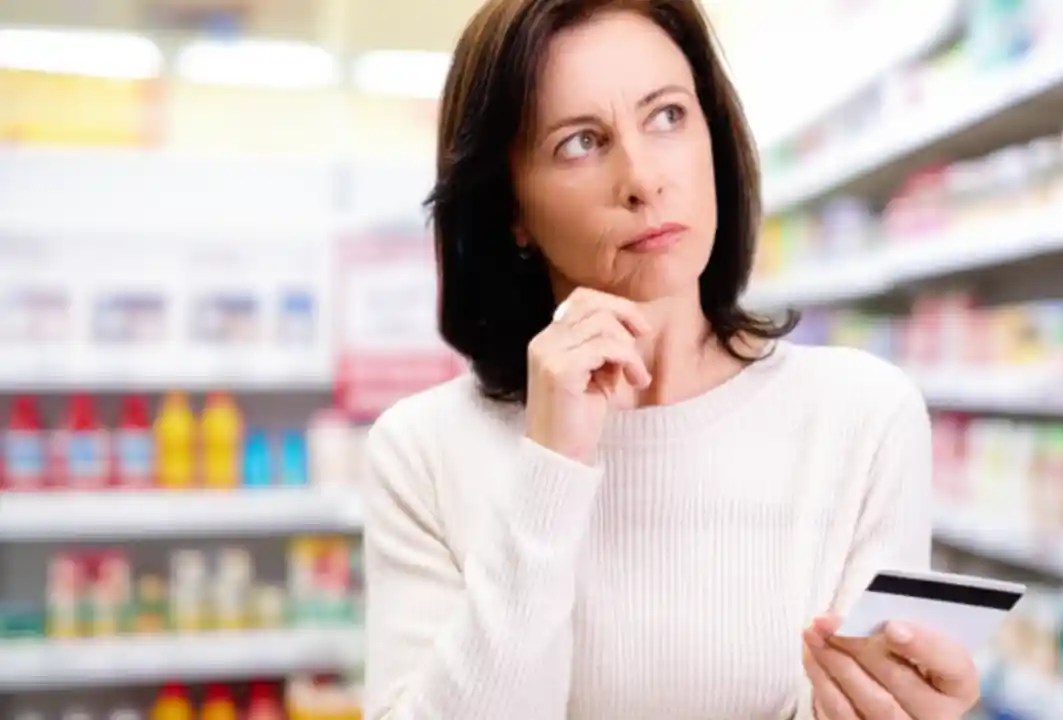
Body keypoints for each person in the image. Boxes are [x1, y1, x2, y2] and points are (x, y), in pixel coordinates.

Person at [361, 0, 982, 718]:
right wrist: (551, 469)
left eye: (667, 116)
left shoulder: (864, 417)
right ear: (512, 211)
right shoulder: (423, 453)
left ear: (713, 134)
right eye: (579, 142)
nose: (643, 178)